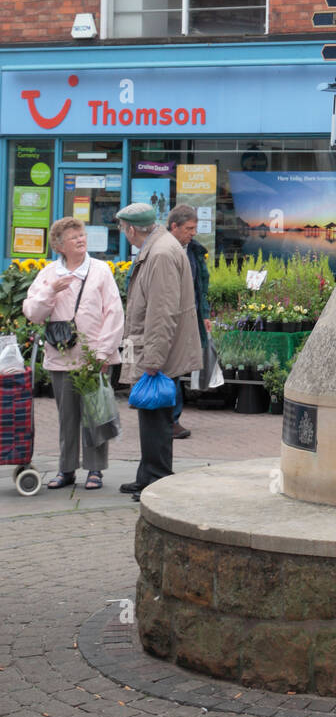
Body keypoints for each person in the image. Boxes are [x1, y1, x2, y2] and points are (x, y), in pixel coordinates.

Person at [23, 217, 124, 490]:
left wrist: (103, 354)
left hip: (93, 359)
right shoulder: (48, 274)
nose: (81, 239)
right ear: (59, 245)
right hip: (61, 358)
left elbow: (114, 313)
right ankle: (66, 470)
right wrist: (49, 291)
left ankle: (95, 470)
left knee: (95, 415)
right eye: (74, 236)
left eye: (82, 234)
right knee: (67, 418)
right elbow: (33, 313)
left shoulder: (101, 271)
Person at [116, 203, 203, 502]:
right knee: (152, 416)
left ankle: (156, 480)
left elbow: (162, 312)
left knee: (156, 418)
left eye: (122, 229)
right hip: (161, 350)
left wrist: (153, 359)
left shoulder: (161, 253)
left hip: (161, 354)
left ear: (130, 229)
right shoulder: (160, 247)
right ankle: (147, 476)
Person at [165, 203, 211, 438]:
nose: (193, 233)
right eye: (189, 228)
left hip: (188, 317)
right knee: (169, 366)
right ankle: (168, 418)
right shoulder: (159, 250)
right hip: (166, 318)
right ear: (174, 226)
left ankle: (170, 417)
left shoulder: (193, 250)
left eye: (195, 228)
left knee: (179, 365)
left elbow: (201, 285)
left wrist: (204, 314)